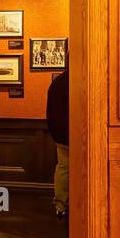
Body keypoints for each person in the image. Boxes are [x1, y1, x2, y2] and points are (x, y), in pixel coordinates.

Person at [46, 67, 70, 219]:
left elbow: (51, 112)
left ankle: (61, 205)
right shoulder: (84, 80)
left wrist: (56, 134)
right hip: (79, 134)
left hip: (61, 136)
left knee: (63, 169)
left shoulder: (57, 82)